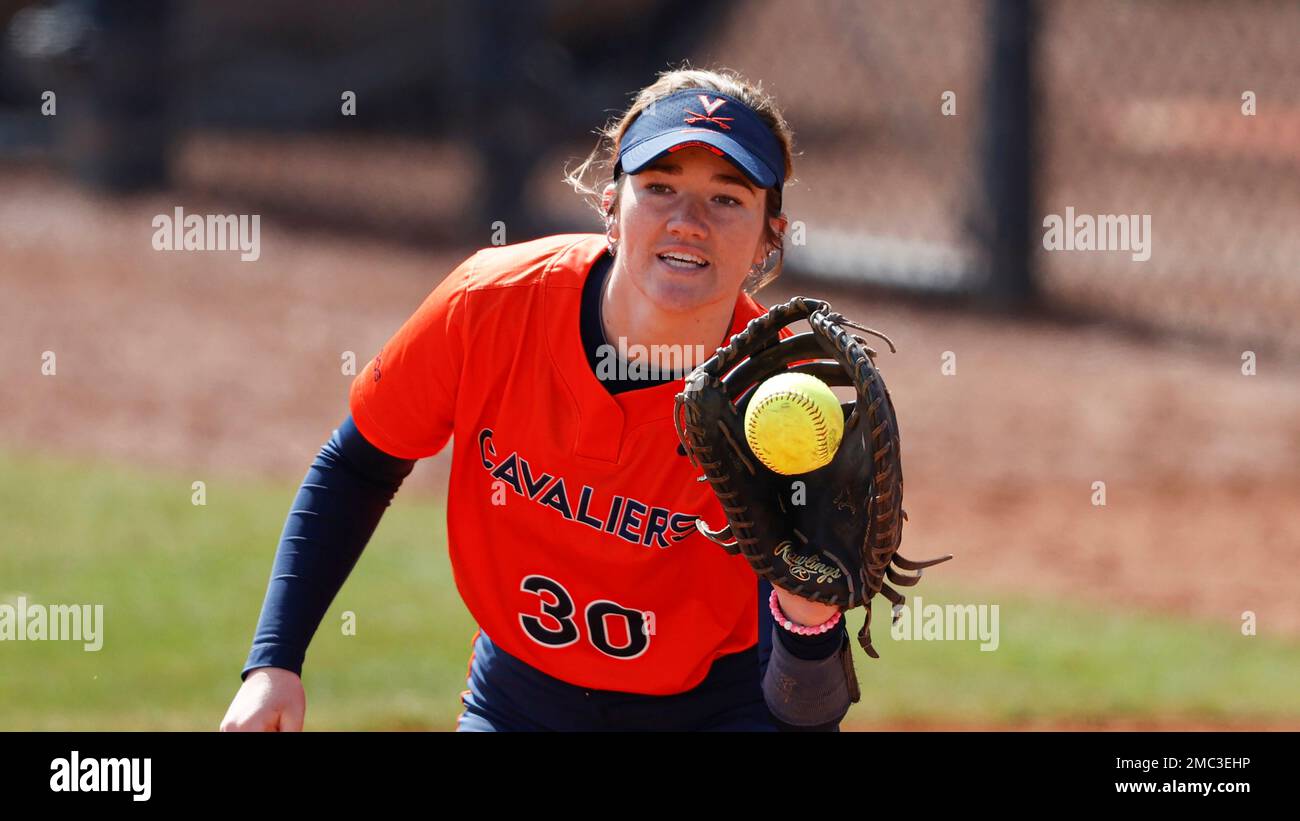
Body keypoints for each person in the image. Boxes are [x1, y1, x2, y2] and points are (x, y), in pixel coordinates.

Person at [220, 66, 860, 732]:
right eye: (659, 187)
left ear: (769, 236)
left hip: (715, 707)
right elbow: (360, 462)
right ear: (611, 207)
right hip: (521, 700)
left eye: (727, 199)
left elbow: (804, 712)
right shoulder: (491, 305)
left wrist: (807, 623)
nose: (687, 222)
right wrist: (275, 662)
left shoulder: (779, 410)